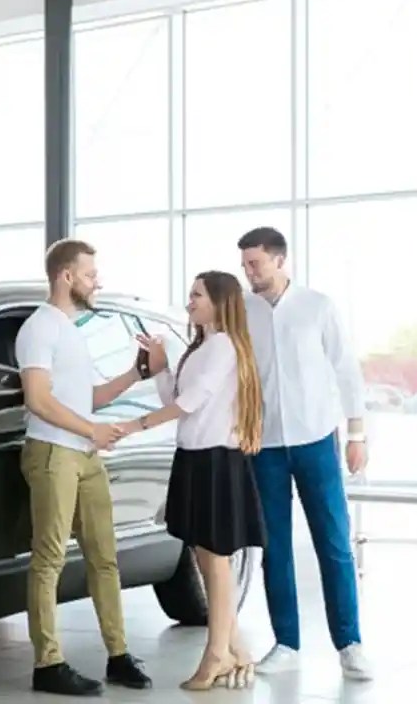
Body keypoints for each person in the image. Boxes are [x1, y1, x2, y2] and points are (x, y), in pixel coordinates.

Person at [14, 238, 153, 696]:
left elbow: (86, 398)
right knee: (49, 559)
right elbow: (38, 400)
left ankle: (118, 655)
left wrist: (137, 373)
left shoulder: (71, 329)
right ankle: (47, 664)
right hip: (54, 452)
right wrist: (90, 431)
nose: (98, 281)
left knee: (104, 558)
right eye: (91, 274)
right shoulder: (40, 329)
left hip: (83, 454)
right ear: (66, 277)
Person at [236, 226, 373, 681]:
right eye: (244, 263)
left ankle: (350, 643)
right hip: (264, 445)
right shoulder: (242, 310)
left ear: (279, 259)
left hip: (317, 439)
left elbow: (346, 369)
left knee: (333, 544)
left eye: (254, 262)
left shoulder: (317, 306)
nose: (248, 271)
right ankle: (286, 642)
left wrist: (357, 433)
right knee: (274, 548)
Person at [123, 271, 266, 691]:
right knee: (205, 559)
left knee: (215, 561)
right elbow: (176, 398)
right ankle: (235, 646)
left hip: (217, 462)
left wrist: (137, 425)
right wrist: (163, 368)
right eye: (190, 294)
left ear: (220, 301)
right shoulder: (200, 348)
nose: (190, 301)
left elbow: (191, 403)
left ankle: (217, 653)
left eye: (197, 295)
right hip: (194, 459)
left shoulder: (223, 345)